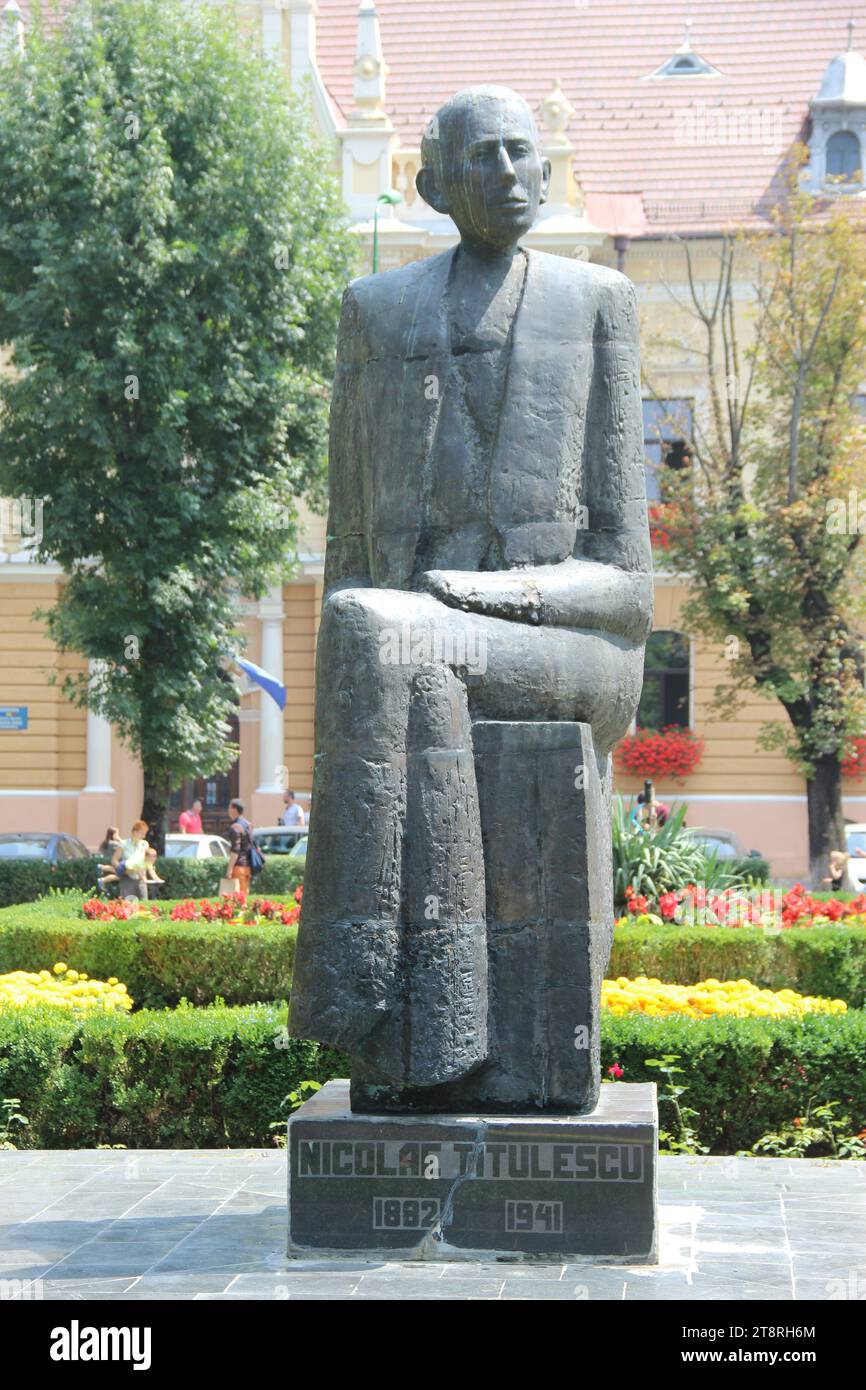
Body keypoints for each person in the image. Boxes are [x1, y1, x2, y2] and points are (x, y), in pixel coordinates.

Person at [288, 85, 652, 1098]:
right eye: (480, 158)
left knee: (385, 629)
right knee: (395, 643)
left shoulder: (596, 306)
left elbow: (628, 586)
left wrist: (501, 598)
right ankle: (442, 1034)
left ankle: (358, 986)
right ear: (432, 185)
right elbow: (351, 553)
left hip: (576, 650)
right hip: (420, 650)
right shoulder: (375, 314)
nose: (506, 174)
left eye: (520, 153)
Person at [113, 820, 151, 900]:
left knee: (144, 906)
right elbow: (114, 860)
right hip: (127, 879)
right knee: (126, 906)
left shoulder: (145, 844)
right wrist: (123, 870)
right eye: (142, 833)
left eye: (144, 834)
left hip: (141, 879)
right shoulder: (123, 844)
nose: (143, 836)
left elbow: (148, 861)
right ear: (134, 832)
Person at [226, 798, 254, 898]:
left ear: (234, 809)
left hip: (238, 867)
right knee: (244, 897)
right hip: (248, 867)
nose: (228, 810)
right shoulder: (248, 825)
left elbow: (235, 850)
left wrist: (229, 869)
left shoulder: (236, 827)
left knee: (237, 900)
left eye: (229, 807)